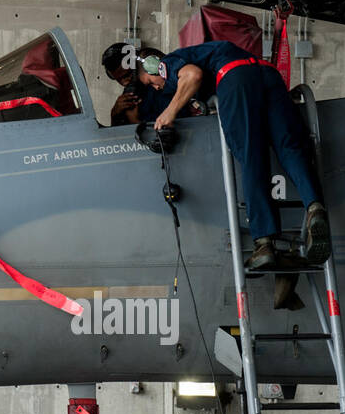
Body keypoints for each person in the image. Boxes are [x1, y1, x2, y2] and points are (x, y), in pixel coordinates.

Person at [138, 40, 330, 305]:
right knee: (290, 149)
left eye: (150, 82)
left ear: (151, 68)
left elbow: (192, 75)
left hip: (234, 77)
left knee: (251, 155)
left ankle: (264, 242)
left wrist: (168, 113)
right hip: (267, 74)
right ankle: (315, 207)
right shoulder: (208, 54)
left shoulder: (167, 64)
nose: (156, 87)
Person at [101, 42, 181, 127]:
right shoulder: (129, 94)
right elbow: (117, 136)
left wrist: (134, 121)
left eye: (127, 75)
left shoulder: (160, 84)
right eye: (118, 79)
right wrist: (115, 114)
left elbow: (172, 128)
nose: (125, 83)